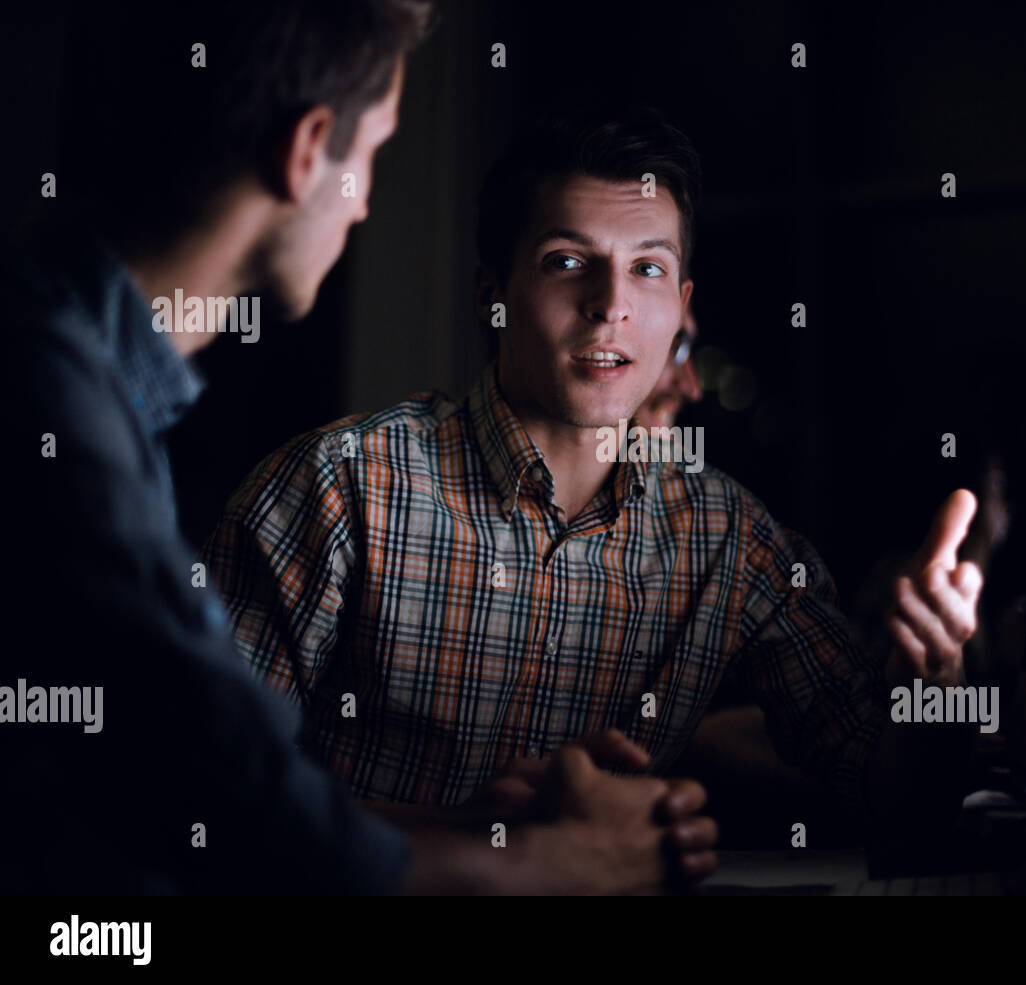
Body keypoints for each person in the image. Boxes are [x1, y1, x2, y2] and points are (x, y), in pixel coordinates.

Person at [1, 3, 714, 894]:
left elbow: (218, 792)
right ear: (307, 154)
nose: (368, 199)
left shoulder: (83, 377)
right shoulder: (55, 412)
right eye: (372, 153)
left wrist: (484, 830)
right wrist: (559, 865)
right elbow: (202, 824)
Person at [203, 108, 987, 841]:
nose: (610, 304)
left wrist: (940, 682)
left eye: (647, 269)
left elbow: (889, 793)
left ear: (682, 307)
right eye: (567, 261)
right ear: (492, 295)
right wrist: (477, 835)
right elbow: (191, 796)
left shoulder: (731, 542)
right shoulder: (338, 490)